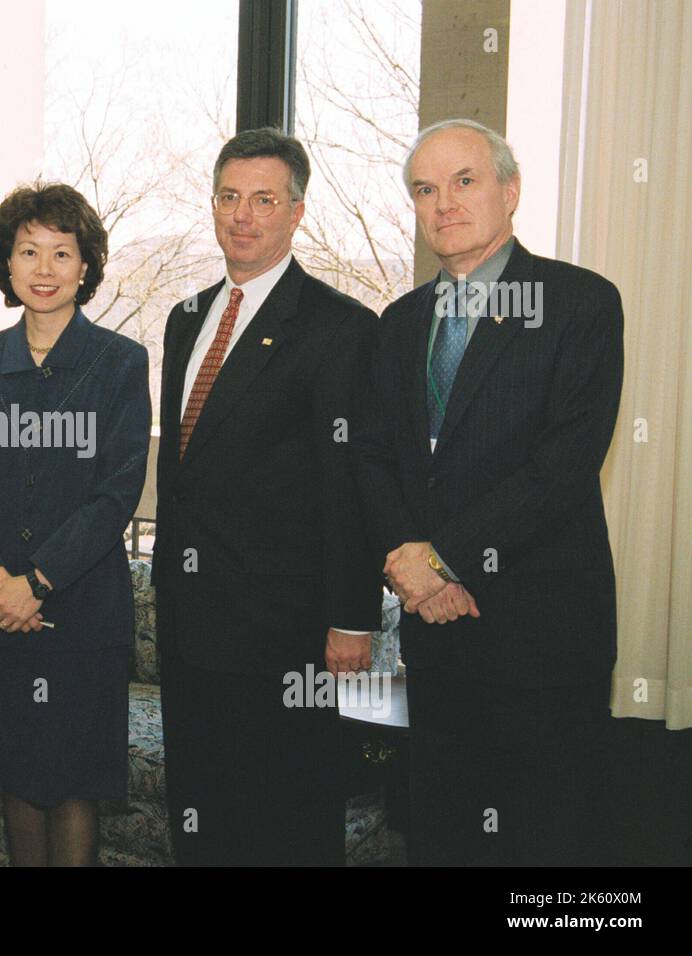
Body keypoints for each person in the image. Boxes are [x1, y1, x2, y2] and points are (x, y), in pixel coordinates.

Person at [356, 118, 623, 865]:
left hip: (541, 630)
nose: (443, 202)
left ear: (510, 190)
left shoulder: (579, 304)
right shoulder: (399, 323)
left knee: (543, 839)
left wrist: (442, 558)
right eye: (424, 189)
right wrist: (414, 571)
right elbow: (373, 459)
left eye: (464, 180)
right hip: (436, 634)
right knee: (441, 830)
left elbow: (563, 466)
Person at [153, 128, 381, 866]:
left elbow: (351, 486)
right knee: (202, 814)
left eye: (264, 199)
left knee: (287, 819)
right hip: (191, 626)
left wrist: (352, 620)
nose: (242, 215)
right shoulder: (186, 318)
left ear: (296, 211)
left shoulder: (339, 327)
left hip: (288, 634)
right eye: (228, 197)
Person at [0, 182, 150, 866]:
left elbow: (116, 493)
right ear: (7, 264)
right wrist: (0, 581)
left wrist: (39, 581)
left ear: (86, 266)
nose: (46, 268)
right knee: (16, 776)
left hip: (82, 612)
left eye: (63, 252)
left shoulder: (119, 363)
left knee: (74, 781)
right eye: (29, 251)